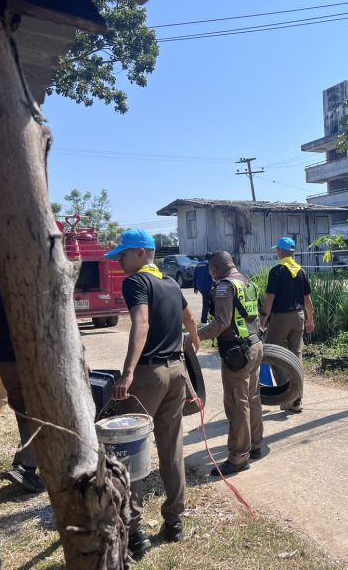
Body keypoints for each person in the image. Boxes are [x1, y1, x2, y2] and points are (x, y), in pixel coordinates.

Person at [105, 229, 201, 557]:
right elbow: (189, 317)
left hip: (150, 374)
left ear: (143, 253)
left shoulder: (136, 283)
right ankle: (174, 522)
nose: (119, 260)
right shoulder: (171, 283)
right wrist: (194, 340)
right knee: (171, 446)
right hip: (176, 373)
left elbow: (141, 324)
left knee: (129, 449)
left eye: (124, 254)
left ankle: (134, 533)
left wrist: (128, 372)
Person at [0, 284, 45, 493]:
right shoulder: (41, 283)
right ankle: (26, 468)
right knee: (41, 412)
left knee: (23, 410)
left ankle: (24, 460)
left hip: (7, 361)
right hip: (36, 359)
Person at [198, 251, 264, 477]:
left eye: (210, 270)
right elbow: (257, 315)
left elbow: (221, 323)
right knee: (252, 398)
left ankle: (238, 457)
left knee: (237, 404)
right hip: (255, 345)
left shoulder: (225, 286)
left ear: (216, 268)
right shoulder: (247, 282)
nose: (210, 274)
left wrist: (195, 337)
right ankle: (255, 445)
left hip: (237, 353)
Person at [260, 236, 314, 413]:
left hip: (281, 317)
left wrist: (262, 321)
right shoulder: (301, 271)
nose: (277, 252)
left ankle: (287, 397)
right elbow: (307, 300)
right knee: (296, 356)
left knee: (273, 355)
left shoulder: (277, 271)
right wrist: (310, 319)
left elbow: (270, 299)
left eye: (277, 250)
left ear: (282, 251)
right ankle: (297, 398)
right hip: (298, 317)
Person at [193, 252, 214, 323]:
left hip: (200, 287)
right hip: (208, 286)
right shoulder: (210, 264)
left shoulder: (198, 264)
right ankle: (204, 320)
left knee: (207, 302)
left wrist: (195, 288)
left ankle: (206, 319)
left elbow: (195, 276)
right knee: (207, 304)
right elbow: (213, 275)